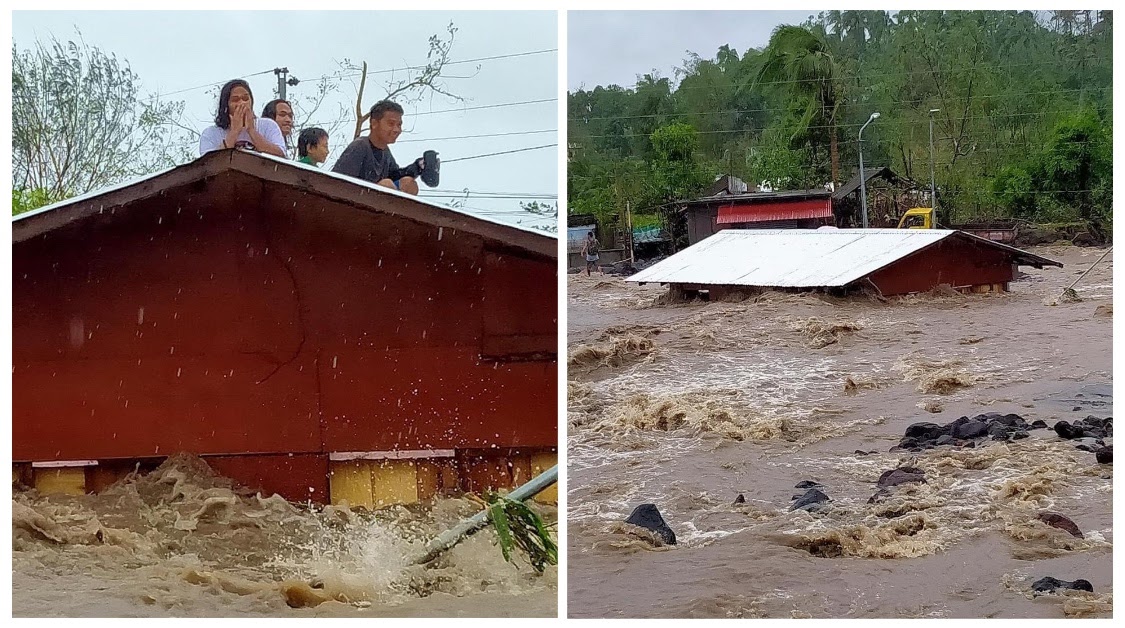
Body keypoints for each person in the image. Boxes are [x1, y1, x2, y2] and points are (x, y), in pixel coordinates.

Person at [331, 100, 426, 195]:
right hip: (352, 204)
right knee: (386, 185)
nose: (397, 130)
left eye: (399, 125)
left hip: (374, 204)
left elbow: (395, 176)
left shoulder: (385, 152)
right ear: (374, 123)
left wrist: (418, 167)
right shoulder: (360, 146)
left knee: (408, 183)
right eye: (391, 124)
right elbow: (336, 184)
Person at [199, 80, 287, 158]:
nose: (242, 103)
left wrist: (252, 131)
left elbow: (281, 155)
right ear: (226, 105)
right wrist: (234, 132)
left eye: (245, 99)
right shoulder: (210, 133)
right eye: (235, 100)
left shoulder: (268, 125)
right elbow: (208, 164)